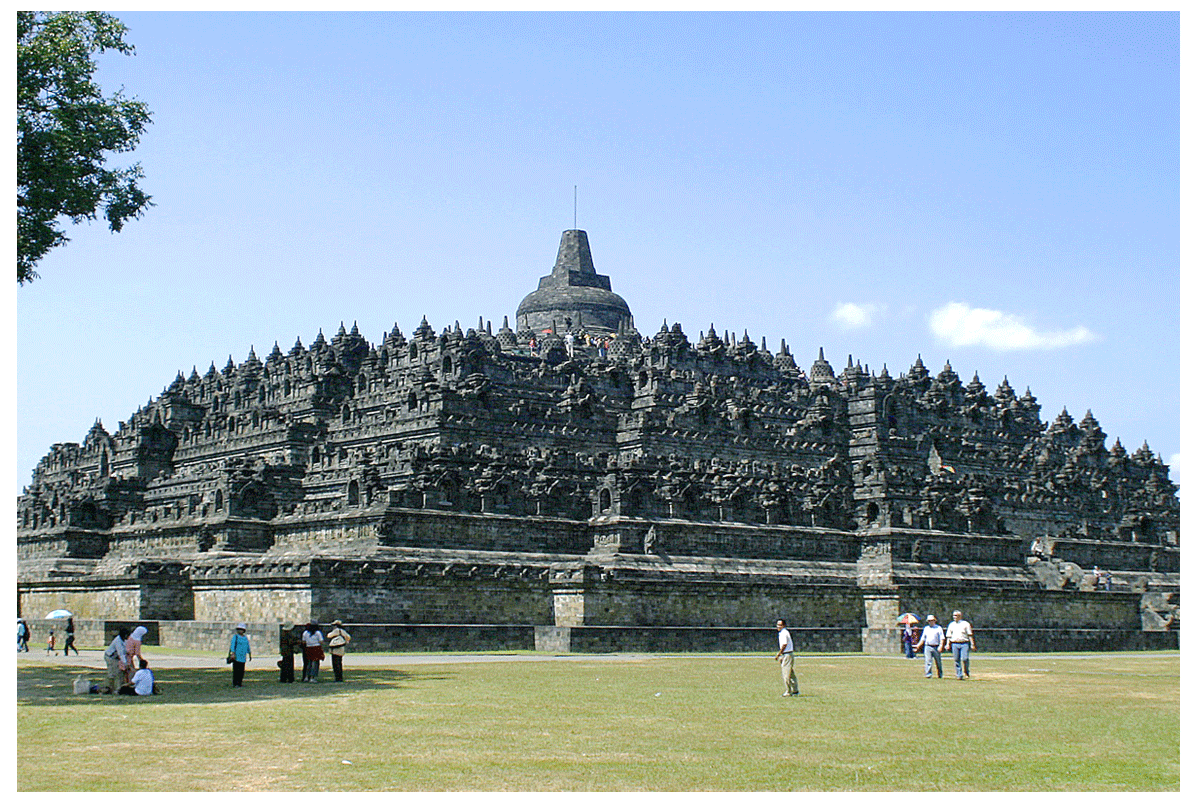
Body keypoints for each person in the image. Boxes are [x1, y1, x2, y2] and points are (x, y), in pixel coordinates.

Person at [945, 610, 976, 680]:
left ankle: (966, 671)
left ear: (960, 616)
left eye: (956, 615)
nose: (954, 617)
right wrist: (947, 644)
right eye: (953, 615)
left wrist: (972, 644)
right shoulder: (951, 625)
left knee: (965, 658)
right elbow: (949, 636)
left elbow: (970, 635)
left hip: (964, 643)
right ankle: (959, 674)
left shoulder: (965, 624)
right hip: (954, 643)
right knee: (956, 659)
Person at [773, 618, 799, 697]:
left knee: (786, 673)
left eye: (780, 625)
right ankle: (795, 690)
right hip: (787, 654)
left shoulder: (784, 633)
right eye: (777, 625)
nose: (778, 626)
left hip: (787, 654)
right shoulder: (783, 633)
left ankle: (788, 691)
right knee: (791, 673)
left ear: (783, 625)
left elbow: (784, 645)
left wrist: (778, 654)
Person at [914, 614, 944, 678]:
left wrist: (941, 646)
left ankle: (940, 674)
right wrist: (918, 646)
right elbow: (923, 638)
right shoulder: (926, 628)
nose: (930, 622)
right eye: (929, 621)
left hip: (936, 646)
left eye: (932, 620)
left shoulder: (938, 628)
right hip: (928, 646)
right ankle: (928, 674)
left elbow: (942, 638)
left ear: (934, 621)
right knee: (928, 661)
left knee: (938, 662)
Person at [103, 628, 130, 694]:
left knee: (120, 672)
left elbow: (125, 651)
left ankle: (120, 687)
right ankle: (111, 688)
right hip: (110, 657)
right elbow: (121, 653)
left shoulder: (124, 641)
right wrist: (125, 664)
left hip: (116, 658)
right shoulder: (118, 641)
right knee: (113, 673)